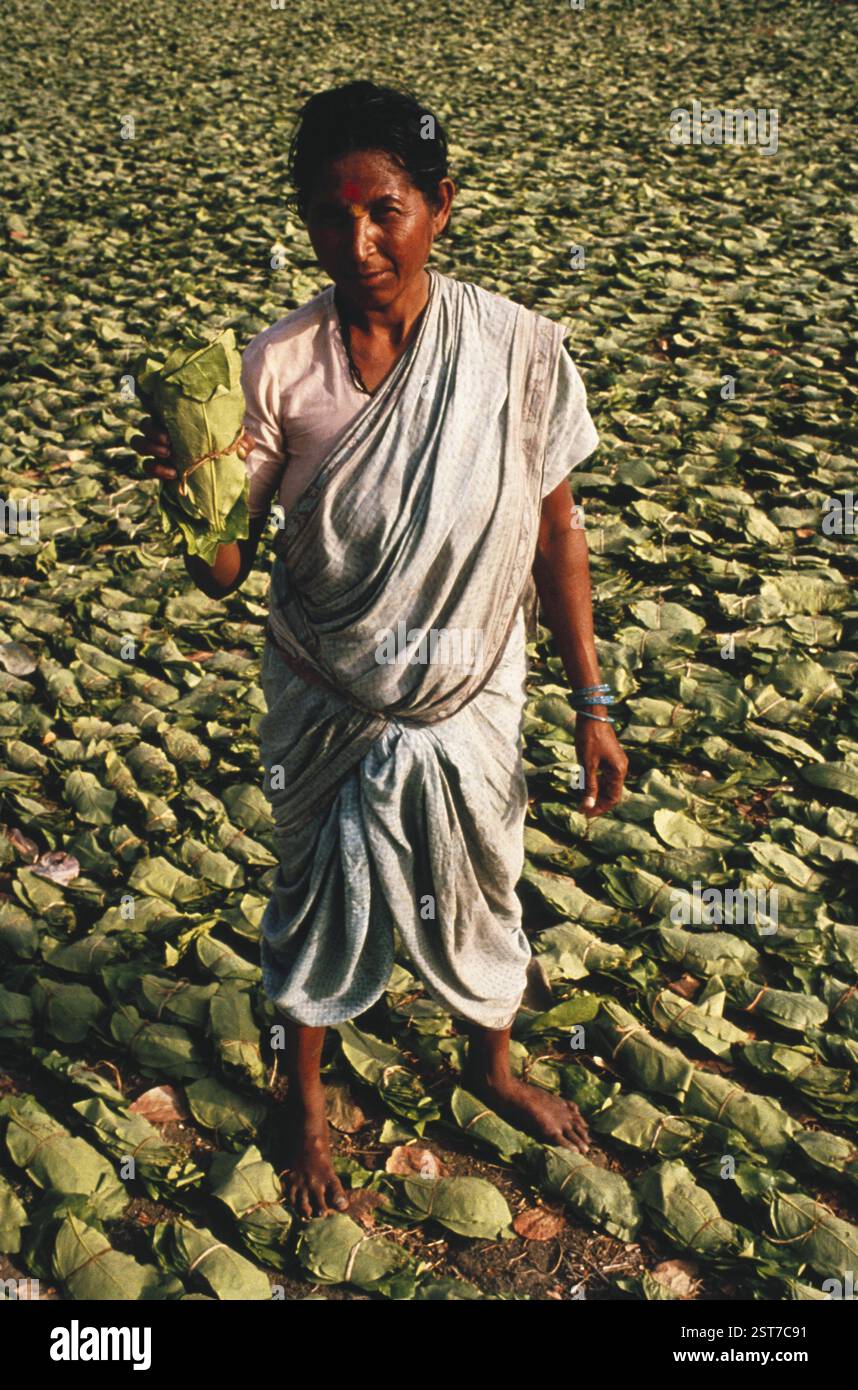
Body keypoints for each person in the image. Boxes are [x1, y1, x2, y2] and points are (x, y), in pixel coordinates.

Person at [134, 81, 628, 1220]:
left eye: (383, 209)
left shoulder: (514, 350)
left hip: (472, 687)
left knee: (483, 874)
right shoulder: (280, 367)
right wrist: (192, 496)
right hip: (331, 690)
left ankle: (489, 1062)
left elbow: (557, 528)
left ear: (439, 206)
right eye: (327, 215)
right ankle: (301, 1094)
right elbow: (226, 570)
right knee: (312, 890)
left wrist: (593, 701)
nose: (356, 241)